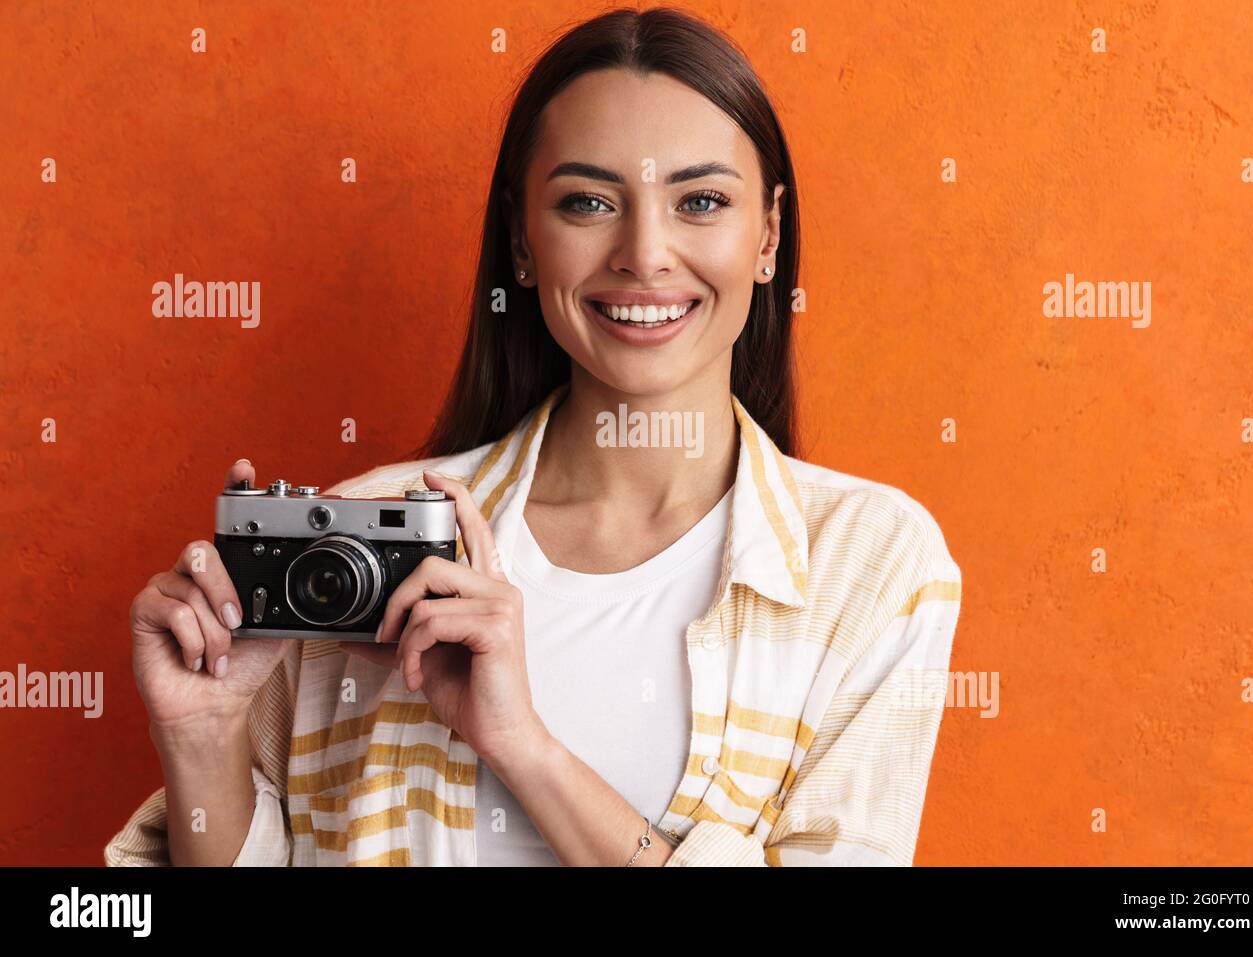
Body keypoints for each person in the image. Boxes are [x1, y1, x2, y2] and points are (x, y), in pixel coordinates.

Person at [106, 6, 962, 867]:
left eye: (701, 201)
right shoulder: (360, 534)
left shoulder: (870, 565)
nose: (646, 254)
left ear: (768, 234)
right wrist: (202, 739)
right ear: (522, 239)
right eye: (588, 202)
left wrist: (525, 745)